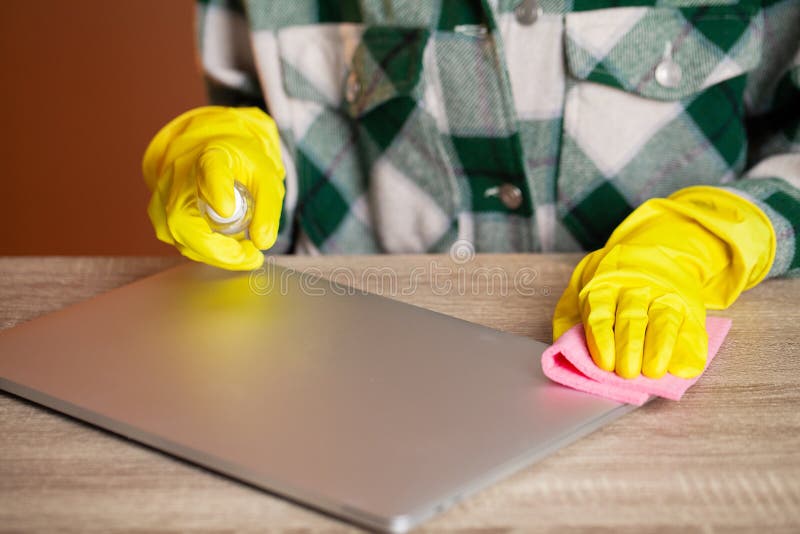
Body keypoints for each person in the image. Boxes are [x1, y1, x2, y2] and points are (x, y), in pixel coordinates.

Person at [143, 0, 800, 380]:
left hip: (690, 405)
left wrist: (702, 243)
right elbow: (275, 149)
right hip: (341, 385)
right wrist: (231, 185)